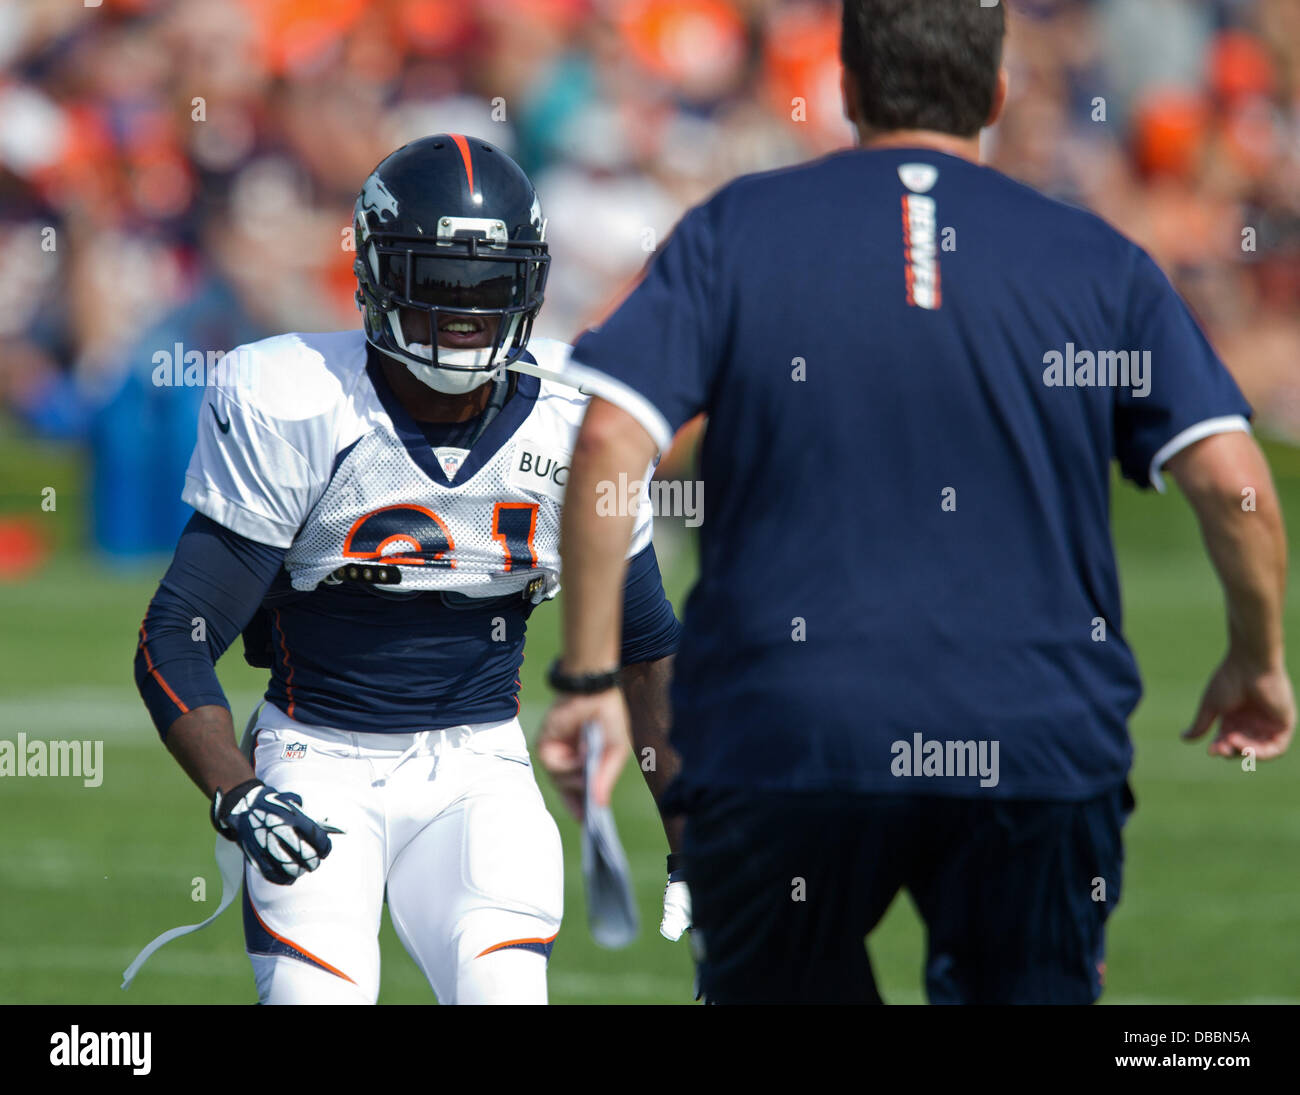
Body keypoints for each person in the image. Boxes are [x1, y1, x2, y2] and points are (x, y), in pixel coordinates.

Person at [537, 0, 1295, 1004]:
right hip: (1034, 737)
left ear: (846, 88)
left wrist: (588, 675)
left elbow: (606, 438)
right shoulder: (1096, 259)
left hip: (786, 735)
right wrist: (1256, 658)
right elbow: (1237, 487)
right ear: (993, 93)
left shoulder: (736, 228)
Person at [132, 134, 680, 1005]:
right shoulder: (297, 399)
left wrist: (696, 843)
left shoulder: (582, 421)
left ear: (530, 286)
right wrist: (237, 792)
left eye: (487, 287)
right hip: (311, 764)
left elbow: (650, 649)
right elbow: (179, 631)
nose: (464, 317)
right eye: (440, 287)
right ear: (378, 276)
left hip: (480, 773)